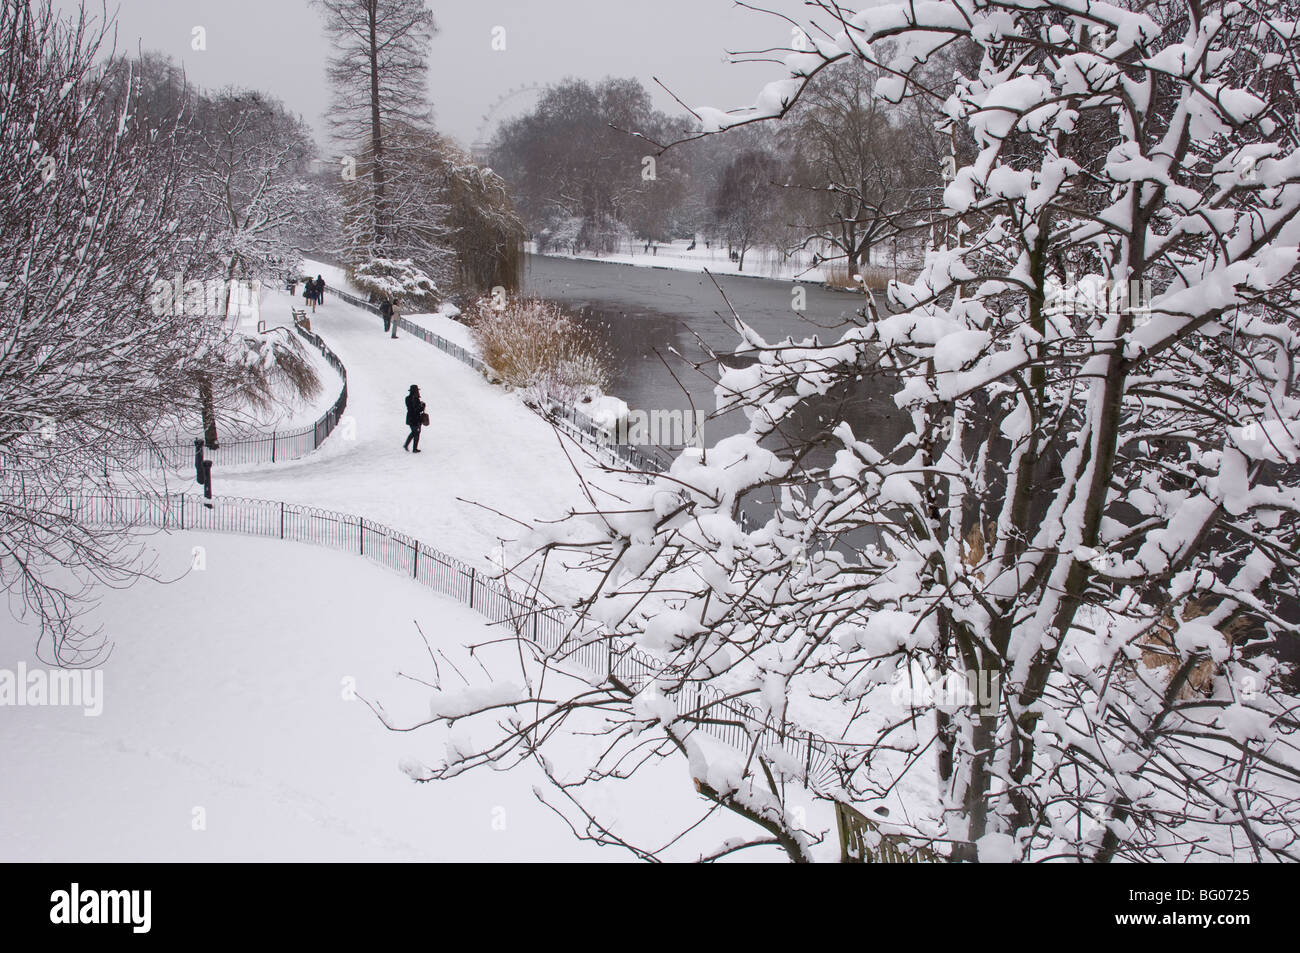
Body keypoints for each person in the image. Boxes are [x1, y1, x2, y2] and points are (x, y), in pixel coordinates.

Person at [403, 385, 426, 452]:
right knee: (416, 433)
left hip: (410, 418)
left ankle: (407, 445)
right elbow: (417, 410)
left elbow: (411, 408)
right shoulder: (415, 399)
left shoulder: (407, 398)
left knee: (414, 432)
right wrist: (422, 406)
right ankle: (414, 448)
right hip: (415, 418)